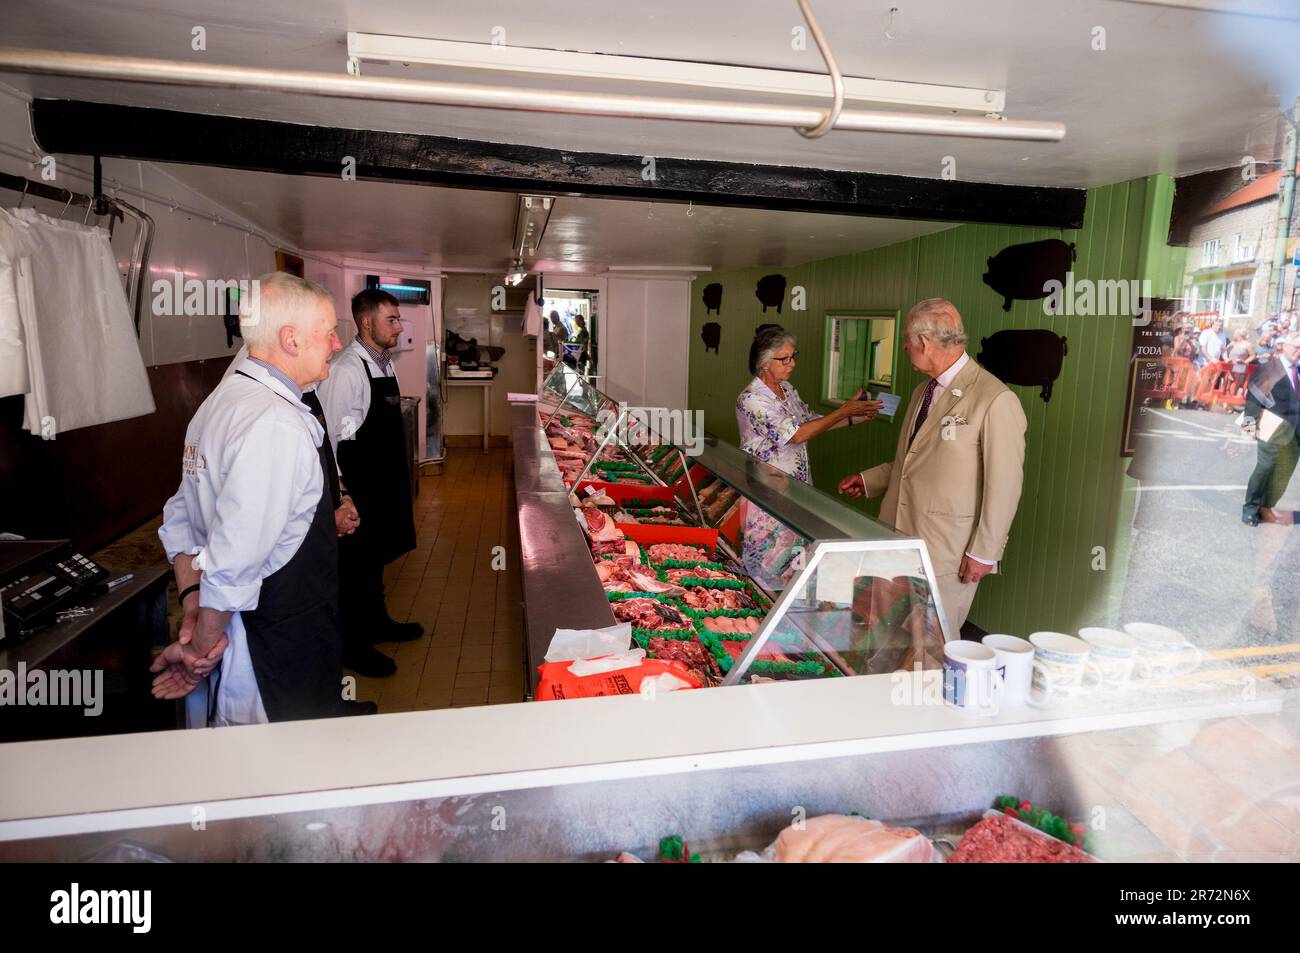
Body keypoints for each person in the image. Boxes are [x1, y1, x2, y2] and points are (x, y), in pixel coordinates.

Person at [152, 273, 353, 725]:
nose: (337, 344)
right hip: (271, 649)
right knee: (280, 775)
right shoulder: (274, 422)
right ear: (291, 340)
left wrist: (192, 606)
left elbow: (181, 519)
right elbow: (233, 560)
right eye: (328, 333)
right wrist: (202, 648)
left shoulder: (221, 401)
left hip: (241, 627)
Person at [838, 299, 1027, 635]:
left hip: (944, 551)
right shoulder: (922, 393)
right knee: (881, 637)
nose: (905, 348)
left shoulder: (994, 399)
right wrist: (870, 480)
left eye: (907, 342)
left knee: (929, 645)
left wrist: (984, 552)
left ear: (923, 344)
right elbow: (913, 462)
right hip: (894, 536)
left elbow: (1006, 485)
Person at [318, 289, 423, 677]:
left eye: (398, 319)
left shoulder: (382, 363)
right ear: (366, 323)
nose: (398, 327)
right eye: (391, 320)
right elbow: (329, 439)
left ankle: (378, 622)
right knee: (354, 569)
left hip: (383, 484)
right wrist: (340, 495)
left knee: (374, 561)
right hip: (359, 489)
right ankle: (353, 645)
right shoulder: (347, 369)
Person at [735, 326, 880, 589]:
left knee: (794, 563)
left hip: (796, 492)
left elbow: (812, 422)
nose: (792, 364)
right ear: (764, 362)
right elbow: (796, 435)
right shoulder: (752, 399)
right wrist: (842, 412)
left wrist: (854, 416)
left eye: (793, 356)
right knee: (766, 564)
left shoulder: (787, 390)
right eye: (785, 359)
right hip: (767, 493)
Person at [1241, 332, 1300, 526]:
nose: (1298, 352)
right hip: (1271, 428)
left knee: (1283, 474)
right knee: (1265, 468)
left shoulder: (1298, 370)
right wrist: (1250, 427)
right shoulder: (1270, 369)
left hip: (1295, 434)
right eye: (1296, 347)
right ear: (1284, 346)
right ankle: (1250, 508)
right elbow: (1254, 398)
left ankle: (1265, 508)